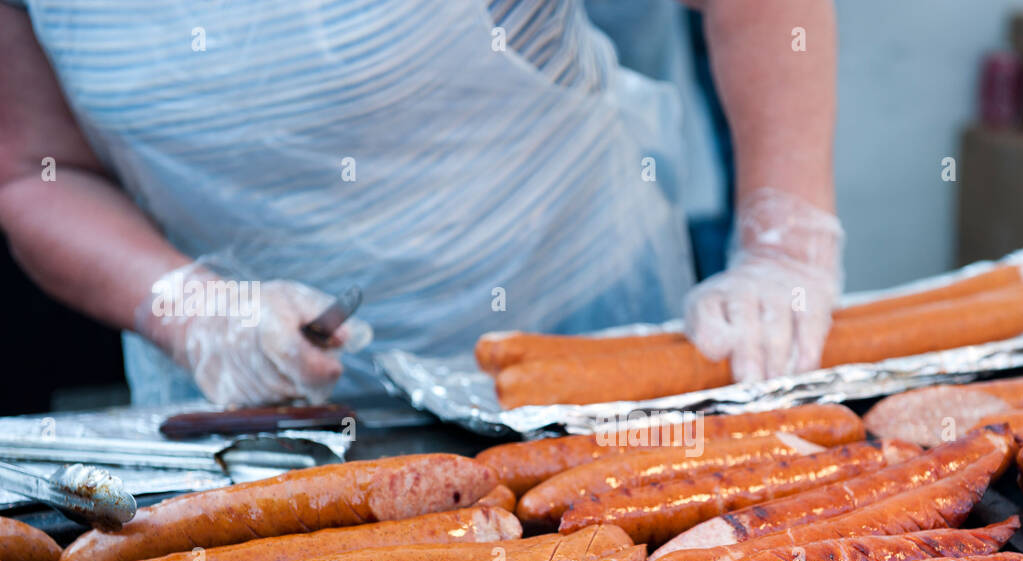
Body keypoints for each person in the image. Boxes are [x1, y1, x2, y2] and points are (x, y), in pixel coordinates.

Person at [0, 0, 841, 407]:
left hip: (578, 341)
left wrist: (784, 241)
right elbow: (36, 172)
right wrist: (188, 307)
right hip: (250, 411)